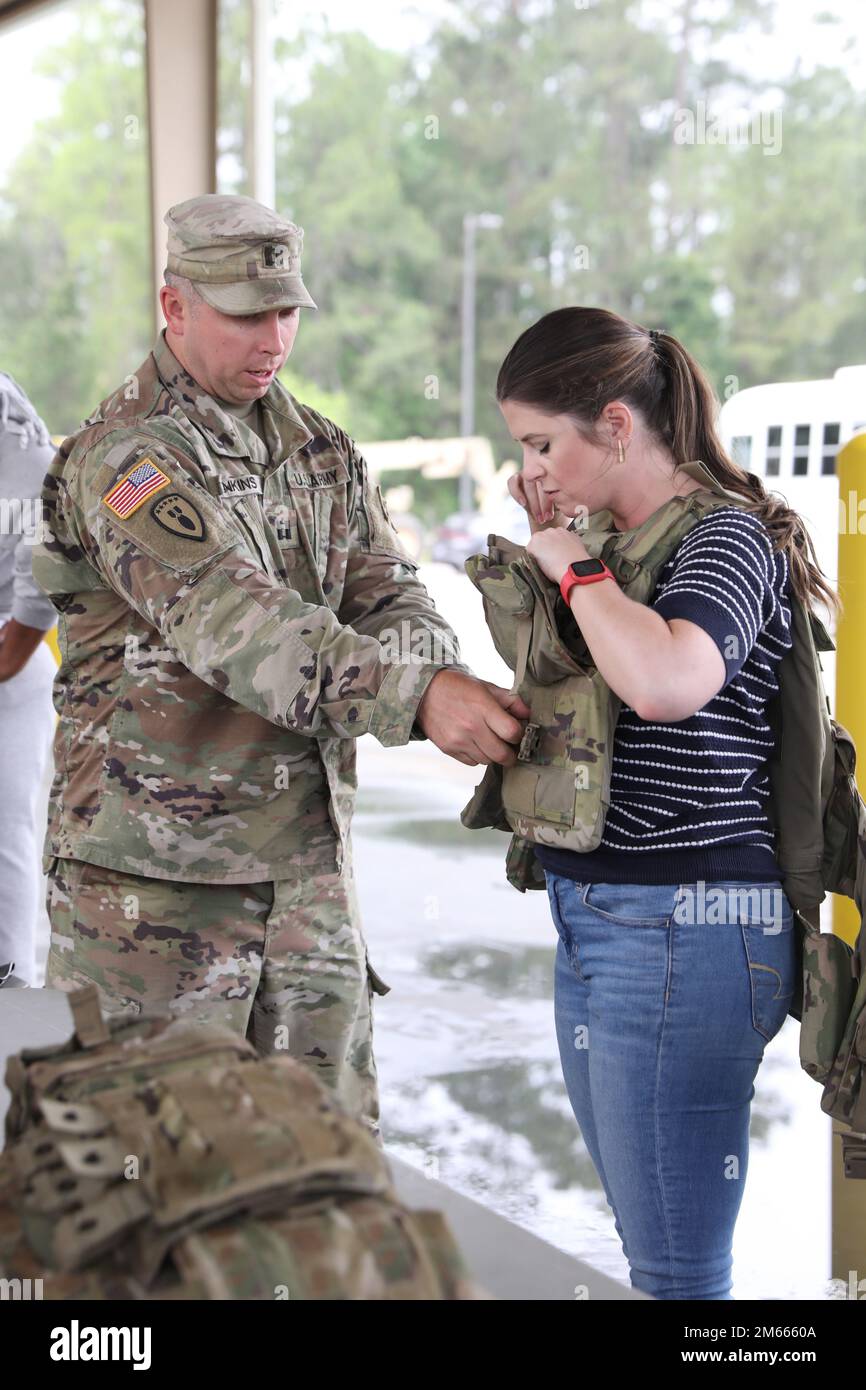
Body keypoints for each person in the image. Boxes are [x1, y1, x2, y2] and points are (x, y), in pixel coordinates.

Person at [30, 192, 530, 1139]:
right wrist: (417, 698)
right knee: (151, 1183)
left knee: (323, 1169)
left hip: (304, 883)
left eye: (287, 310)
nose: (273, 338)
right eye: (244, 315)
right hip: (154, 903)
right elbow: (232, 621)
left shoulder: (321, 451)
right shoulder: (124, 460)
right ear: (173, 306)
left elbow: (391, 593)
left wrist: (436, 666)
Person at [494, 305, 839, 1299]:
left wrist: (571, 566)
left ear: (613, 423)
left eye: (541, 443)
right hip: (598, 917)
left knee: (676, 1276)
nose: (534, 471)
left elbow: (665, 682)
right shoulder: (616, 541)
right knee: (655, 1250)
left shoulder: (722, 539)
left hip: (685, 928)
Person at [0, 373, 59, 985]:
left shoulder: (15, 441)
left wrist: (15, 646)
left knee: (3, 838)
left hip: (6, 654)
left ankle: (8, 1002)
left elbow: (46, 515)